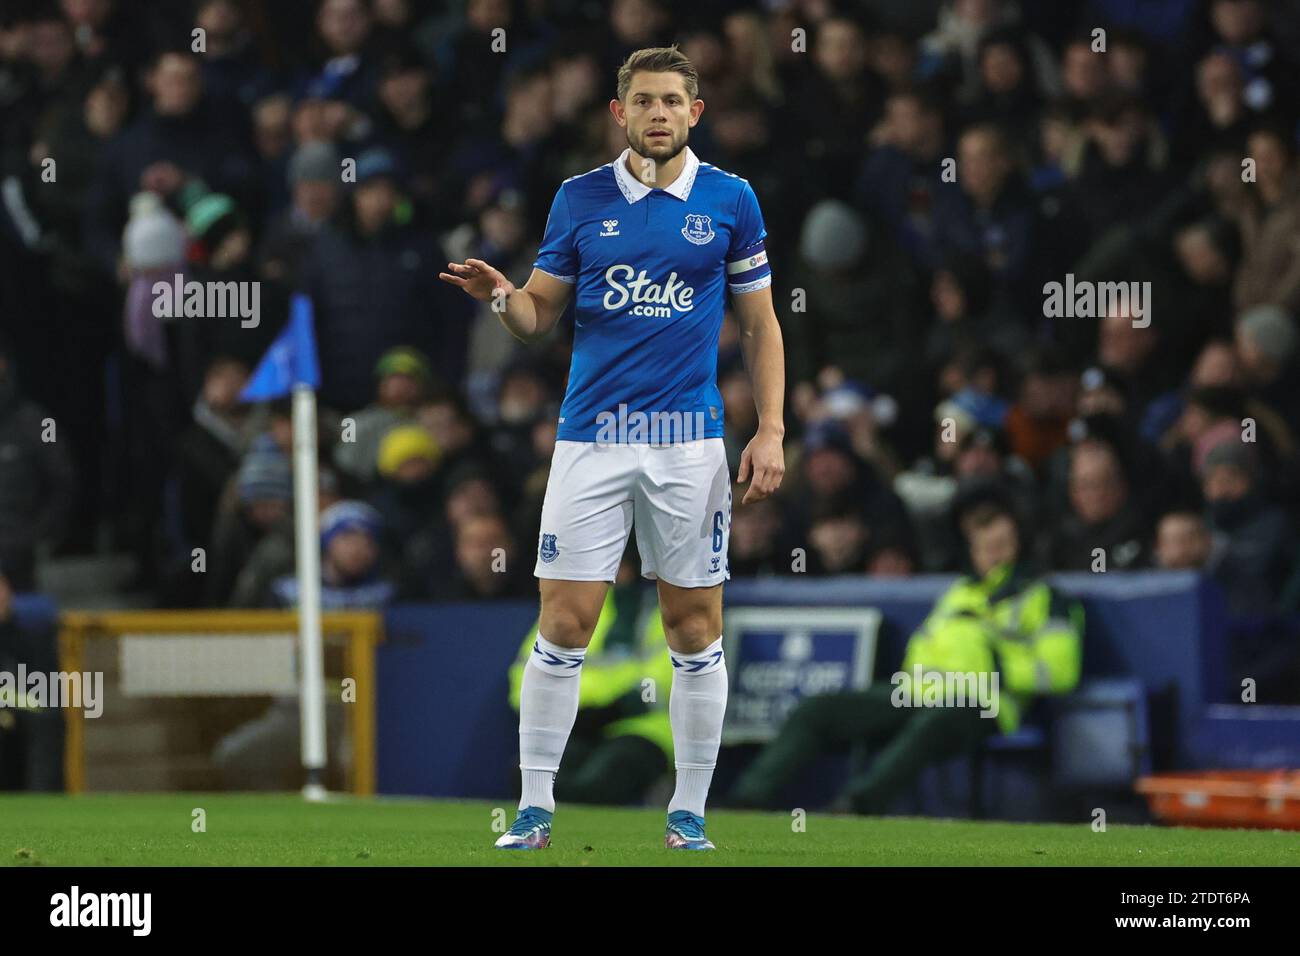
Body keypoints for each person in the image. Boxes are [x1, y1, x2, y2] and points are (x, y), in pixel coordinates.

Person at [440, 45, 786, 851]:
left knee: (695, 630)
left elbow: (761, 324)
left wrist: (770, 430)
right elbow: (539, 316)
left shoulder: (731, 200)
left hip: (687, 446)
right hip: (590, 441)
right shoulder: (579, 199)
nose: (658, 113)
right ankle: (534, 811)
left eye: (672, 101)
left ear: (694, 112)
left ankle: (689, 812)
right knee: (563, 624)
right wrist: (501, 299)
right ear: (618, 113)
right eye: (643, 101)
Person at [728, 494, 1082, 815]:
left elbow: (1060, 671)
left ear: (1019, 546)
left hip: (984, 700)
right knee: (819, 709)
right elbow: (922, 648)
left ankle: (856, 806)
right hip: (917, 692)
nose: (993, 556)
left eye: (1002, 545)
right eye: (984, 547)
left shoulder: (1045, 597)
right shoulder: (958, 593)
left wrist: (998, 669)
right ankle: (748, 799)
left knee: (930, 725)